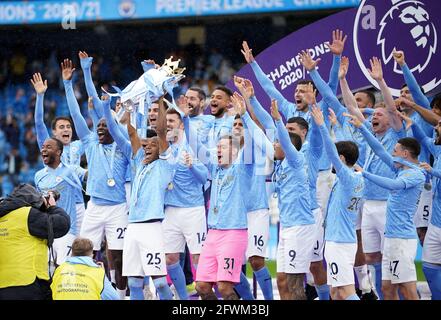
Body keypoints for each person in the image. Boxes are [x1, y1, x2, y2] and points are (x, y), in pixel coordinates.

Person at [185, 93, 271, 300]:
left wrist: (245, 115)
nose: (218, 151)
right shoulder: (215, 168)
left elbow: (250, 143)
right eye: (218, 148)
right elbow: (197, 147)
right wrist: (185, 120)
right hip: (213, 233)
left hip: (234, 233)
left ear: (235, 151)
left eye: (223, 148)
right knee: (202, 287)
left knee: (224, 287)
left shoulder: (243, 165)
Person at [62, 59, 129, 299]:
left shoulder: (124, 147)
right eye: (97, 126)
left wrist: (106, 109)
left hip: (119, 208)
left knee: (119, 257)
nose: (99, 128)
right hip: (95, 207)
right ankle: (82, 291)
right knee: (81, 252)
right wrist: (68, 84)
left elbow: (109, 118)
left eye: (104, 125)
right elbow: (76, 114)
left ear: (113, 127)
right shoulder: (90, 143)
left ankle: (121, 295)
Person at [102, 96, 176, 300]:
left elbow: (161, 131)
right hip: (132, 226)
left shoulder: (164, 164)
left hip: (152, 227)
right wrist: (130, 107)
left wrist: (159, 99)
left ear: (161, 147)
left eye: (152, 145)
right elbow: (132, 132)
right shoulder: (137, 161)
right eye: (145, 145)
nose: (147, 147)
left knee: (160, 282)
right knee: (134, 283)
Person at [349, 114, 425, 300]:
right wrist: (362, 128)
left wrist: (364, 173)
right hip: (391, 238)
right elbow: (379, 150)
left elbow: (393, 186)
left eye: (395, 150)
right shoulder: (400, 169)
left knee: (407, 290)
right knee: (387, 288)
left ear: (405, 154)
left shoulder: (416, 174)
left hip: (401, 240)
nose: (392, 153)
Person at [311, 105, 364, 300]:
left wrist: (322, 126)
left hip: (339, 241)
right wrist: (336, 127)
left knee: (347, 292)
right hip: (341, 239)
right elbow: (346, 151)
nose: (331, 162)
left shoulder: (348, 178)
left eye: (336, 159)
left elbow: (333, 153)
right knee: (335, 292)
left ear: (341, 159)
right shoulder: (358, 176)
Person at [270, 99, 315, 300]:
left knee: (295, 283)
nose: (274, 144)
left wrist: (278, 120)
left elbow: (286, 143)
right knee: (282, 280)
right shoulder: (281, 166)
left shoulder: (296, 162)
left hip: (299, 227)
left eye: (277, 142)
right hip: (286, 227)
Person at [162, 106, 208, 300]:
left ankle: (207, 295)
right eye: (166, 122)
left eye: (171, 121)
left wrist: (192, 167)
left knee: (198, 258)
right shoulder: (163, 150)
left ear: (181, 124)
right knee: (170, 258)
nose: (168, 125)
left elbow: (204, 177)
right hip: (170, 210)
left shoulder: (192, 147)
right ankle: (182, 298)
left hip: (192, 210)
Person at [31, 72, 86, 234]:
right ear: (54, 133)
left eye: (68, 127)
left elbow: (94, 138)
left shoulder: (78, 145)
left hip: (77, 203)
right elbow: (38, 122)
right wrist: (40, 96)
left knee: (82, 242)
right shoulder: (48, 146)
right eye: (61, 127)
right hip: (56, 202)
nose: (66, 129)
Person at [0, 184, 70, 299]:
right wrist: (52, 207)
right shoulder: (27, 214)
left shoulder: (2, 216)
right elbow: (62, 224)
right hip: (28, 284)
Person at [35, 137, 85, 266]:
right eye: (43, 147)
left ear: (58, 152)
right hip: (46, 231)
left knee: (63, 269)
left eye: (48, 147)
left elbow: (89, 175)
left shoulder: (71, 170)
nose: (44, 150)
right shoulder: (38, 175)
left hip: (66, 230)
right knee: (46, 270)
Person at [411, 120, 441, 299]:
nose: (436, 128)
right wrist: (411, 123)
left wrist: (433, 171)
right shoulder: (438, 149)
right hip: (436, 223)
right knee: (429, 267)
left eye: (440, 125)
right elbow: (422, 137)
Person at [51, 237, 119, 300]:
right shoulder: (98, 272)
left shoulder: (60, 269)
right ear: (91, 255)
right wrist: (104, 277)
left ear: (71, 253)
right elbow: (114, 298)